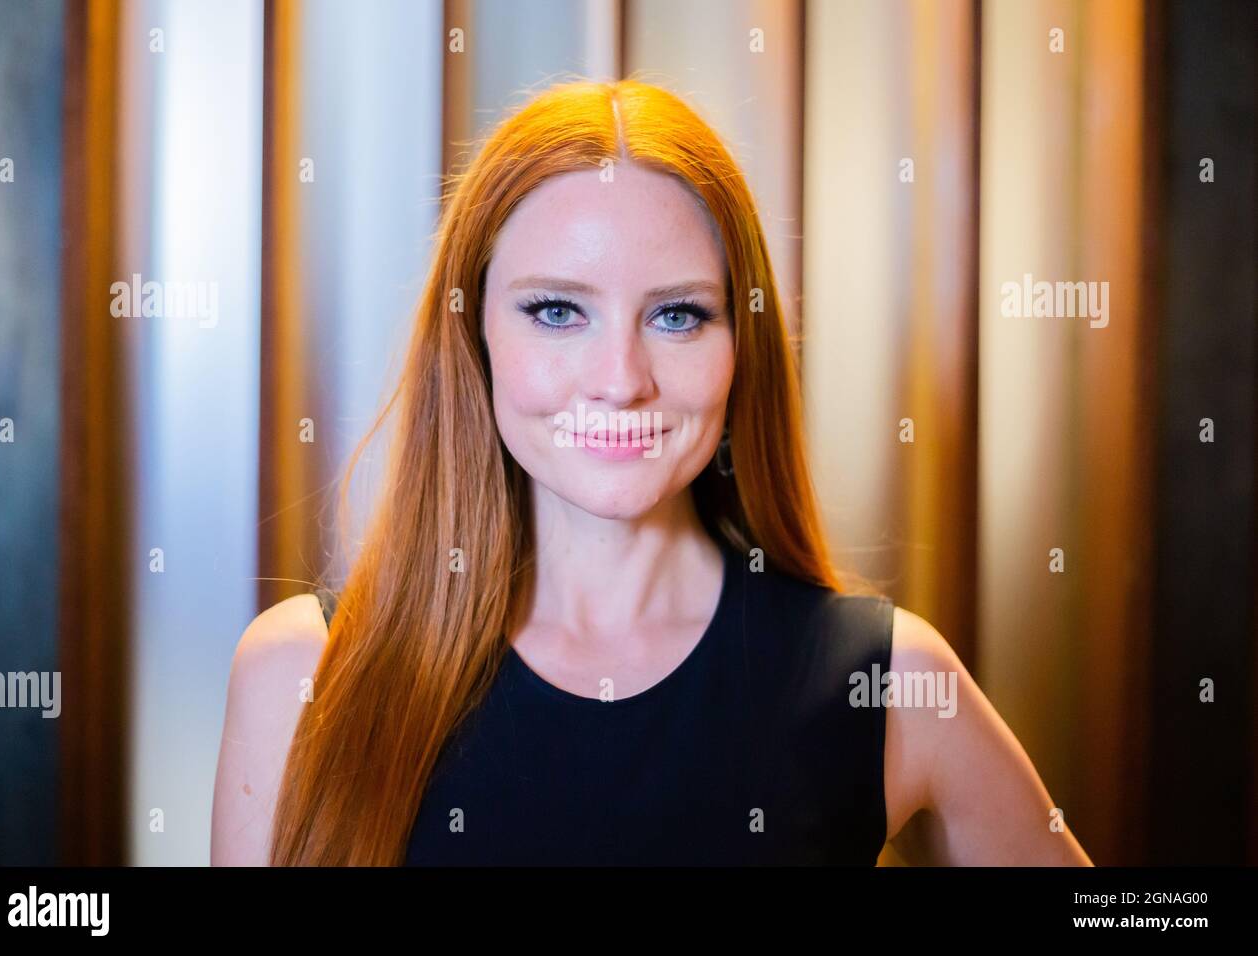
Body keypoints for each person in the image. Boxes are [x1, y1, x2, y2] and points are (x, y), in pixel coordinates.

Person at [211, 77, 1093, 867]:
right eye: (557, 310)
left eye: (677, 316)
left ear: (739, 346)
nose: (621, 379)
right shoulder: (299, 675)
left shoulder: (886, 677)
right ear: (472, 337)